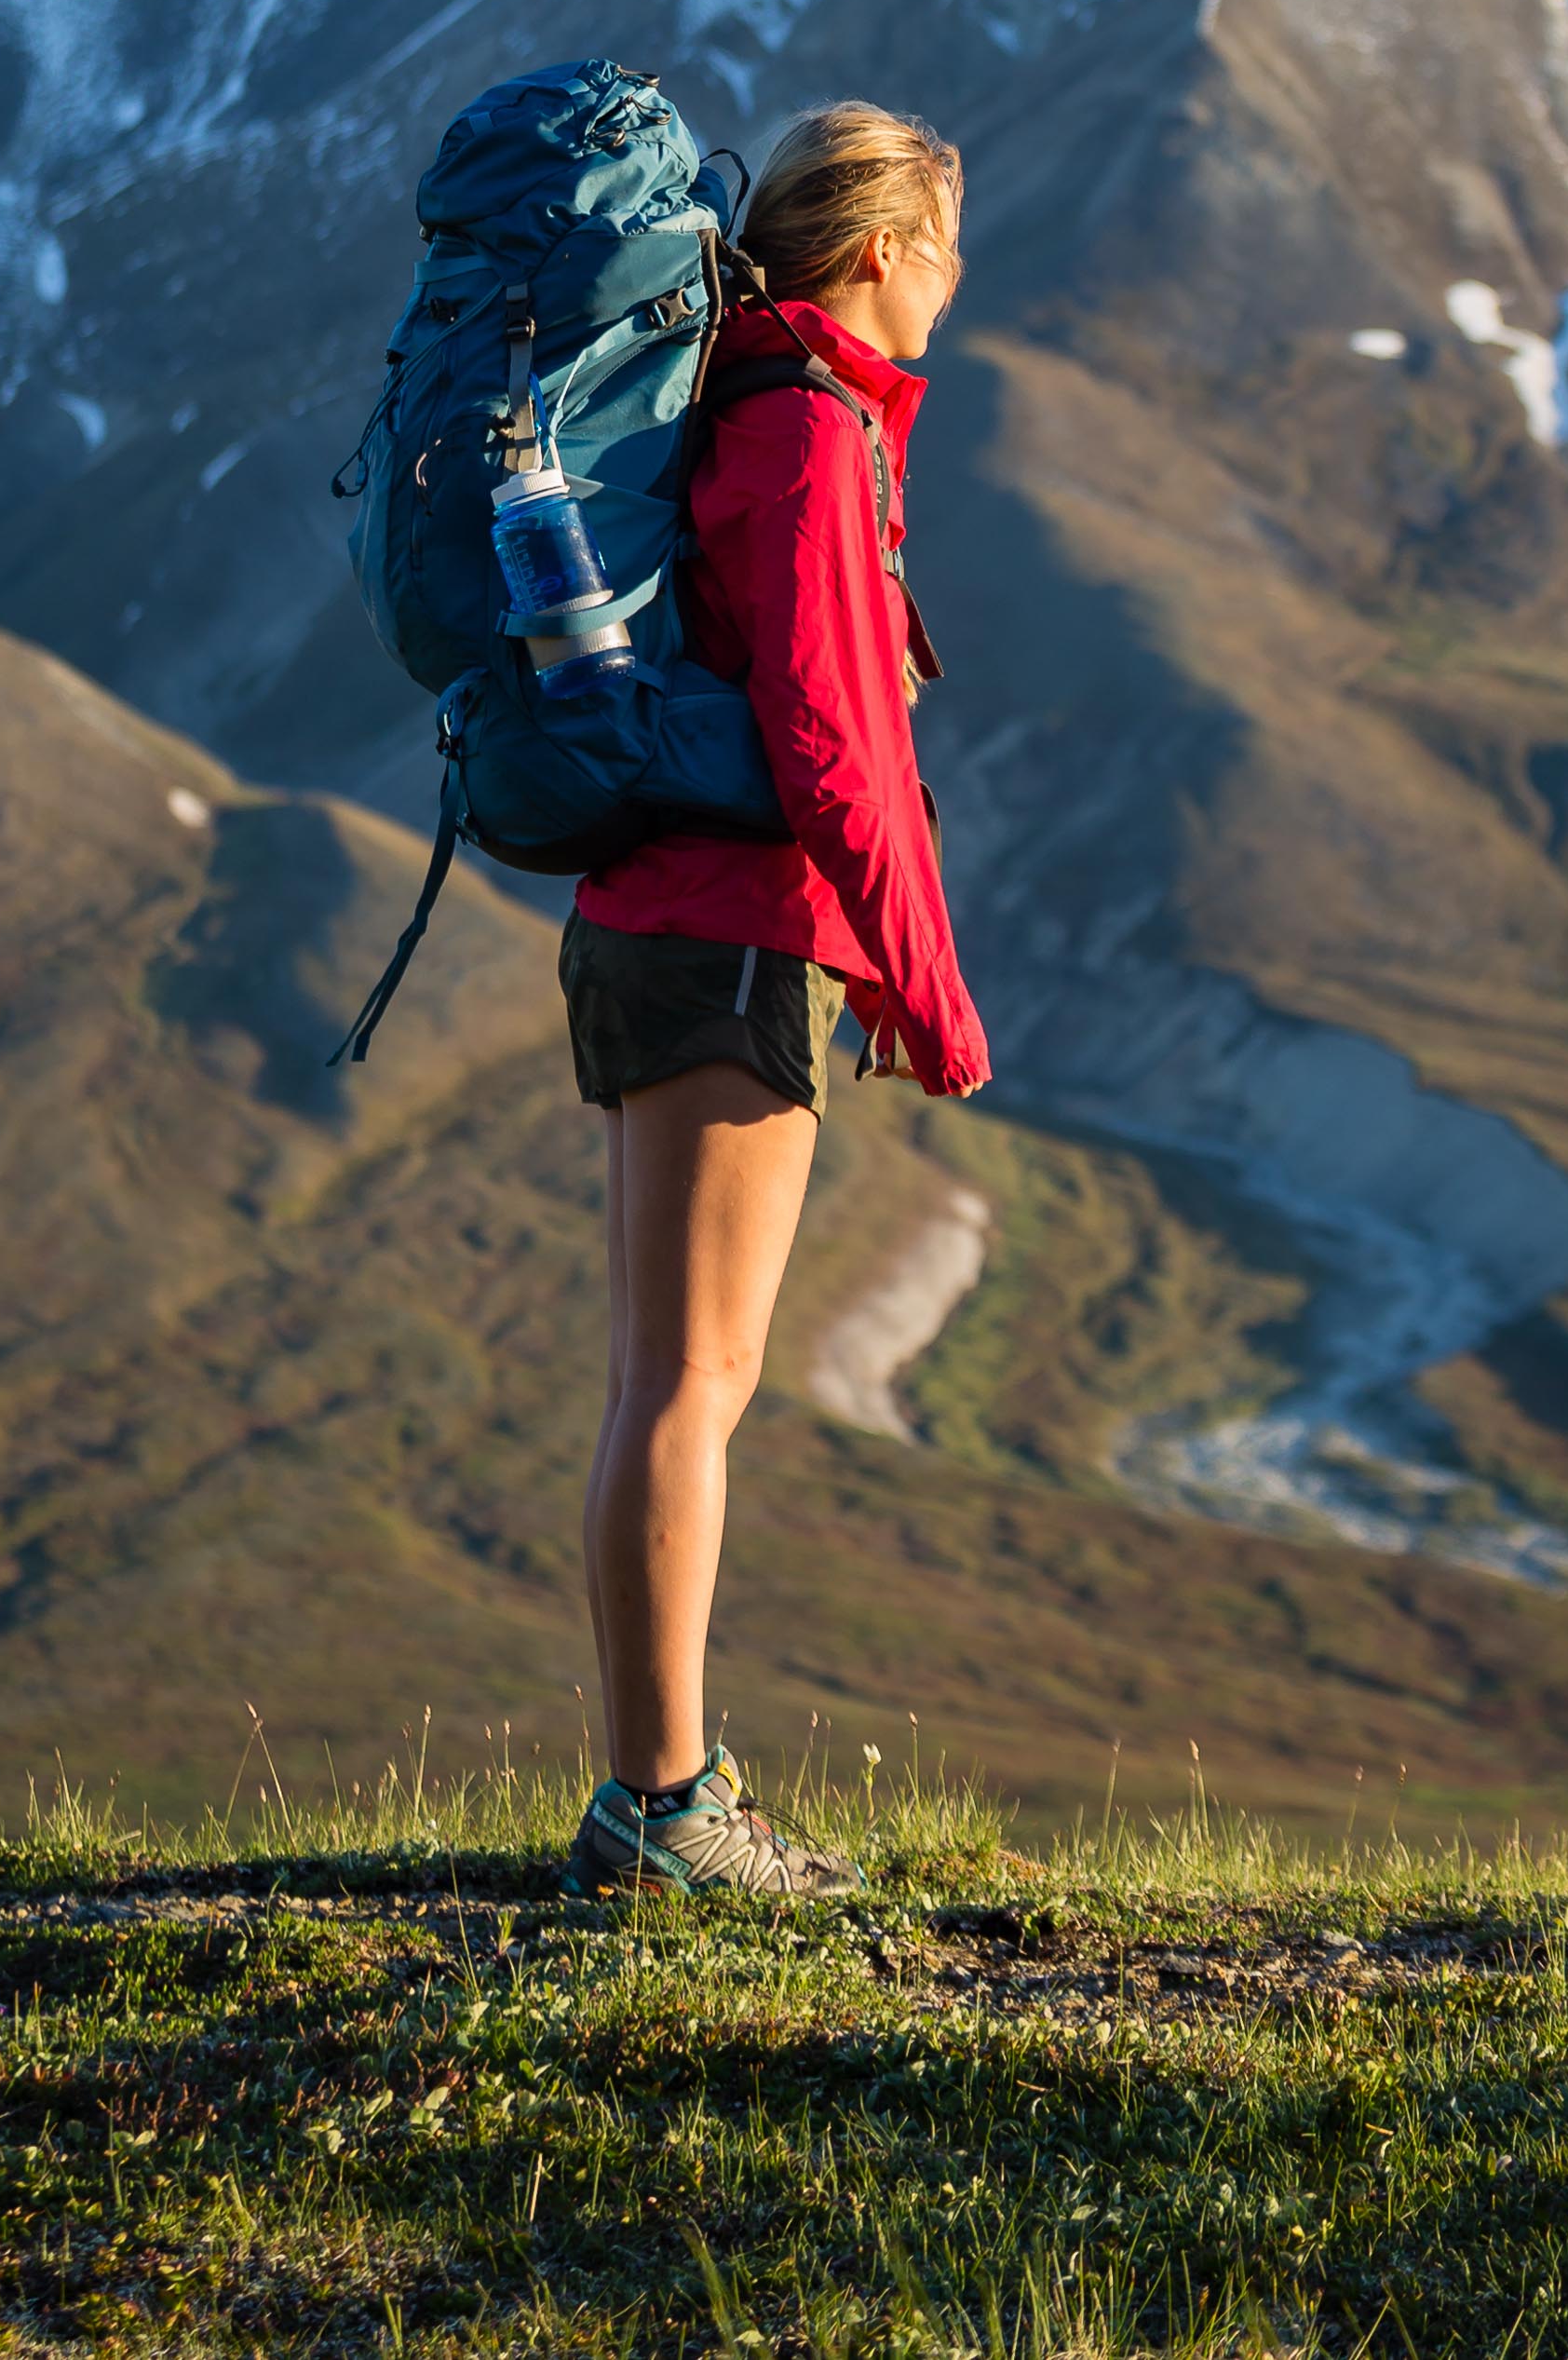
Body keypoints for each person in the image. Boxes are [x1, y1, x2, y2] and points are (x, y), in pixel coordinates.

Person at [558, 101, 990, 1901]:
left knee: (673, 1376)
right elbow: (835, 739)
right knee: (693, 1383)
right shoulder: (808, 433)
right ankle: (664, 1811)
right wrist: (924, 979)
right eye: (949, 242)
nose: (960, 280)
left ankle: (658, 1796)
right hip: (738, 933)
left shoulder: (761, 410)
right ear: (885, 248)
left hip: (666, 917)